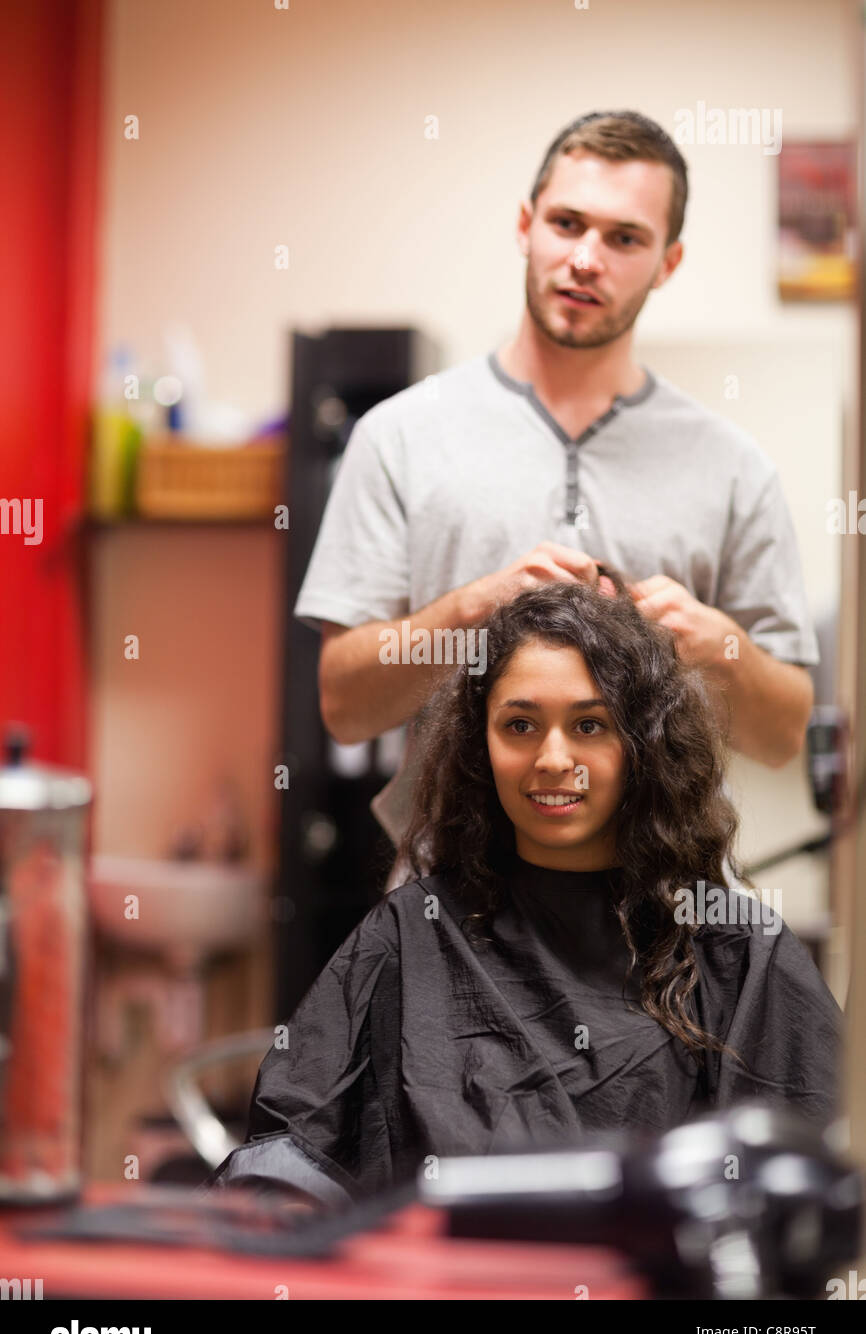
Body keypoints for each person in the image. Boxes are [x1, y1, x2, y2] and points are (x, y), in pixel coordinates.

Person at [294, 109, 818, 886]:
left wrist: (718, 648)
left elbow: (782, 736)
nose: (585, 258)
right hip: (452, 909)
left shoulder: (733, 466)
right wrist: (473, 609)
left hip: (668, 911)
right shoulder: (399, 436)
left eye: (624, 238)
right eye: (567, 223)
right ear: (525, 224)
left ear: (667, 261)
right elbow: (344, 703)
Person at [208, 577, 841, 1209]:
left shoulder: (737, 952)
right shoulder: (414, 932)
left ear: (643, 744)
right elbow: (289, 1153)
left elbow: (803, 1179)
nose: (552, 757)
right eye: (520, 725)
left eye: (590, 724)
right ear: (482, 745)